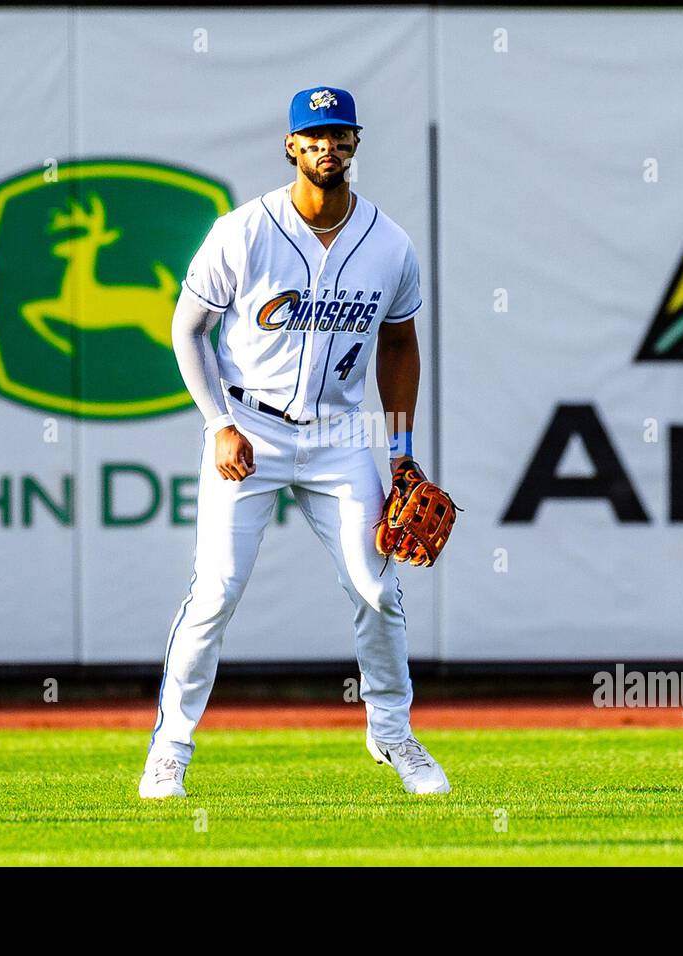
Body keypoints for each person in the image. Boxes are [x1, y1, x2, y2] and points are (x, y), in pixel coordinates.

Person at [139, 86, 449, 798]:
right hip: (250, 428)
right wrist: (218, 423)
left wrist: (401, 456)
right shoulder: (243, 231)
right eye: (315, 136)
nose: (328, 147)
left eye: (341, 135)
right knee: (215, 591)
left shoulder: (389, 244)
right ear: (291, 145)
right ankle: (171, 750)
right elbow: (187, 330)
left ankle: (393, 733)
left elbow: (398, 347)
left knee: (378, 589)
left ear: (356, 145)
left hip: (340, 436)